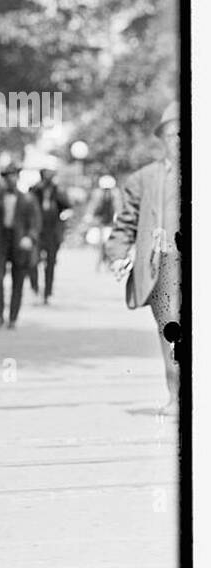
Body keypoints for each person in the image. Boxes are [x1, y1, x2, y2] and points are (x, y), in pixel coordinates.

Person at [105, 102, 181, 413]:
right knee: (172, 331)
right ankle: (177, 396)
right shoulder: (143, 179)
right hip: (163, 266)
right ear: (162, 139)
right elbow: (125, 223)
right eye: (173, 134)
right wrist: (119, 253)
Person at [0, 164, 41, 330]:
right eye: (7, 176)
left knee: (18, 281)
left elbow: (35, 223)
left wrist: (30, 238)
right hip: (0, 241)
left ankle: (13, 317)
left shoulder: (28, 199)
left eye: (14, 175)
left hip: (19, 243)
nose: (11, 179)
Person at [29, 166, 73, 303]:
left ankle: (47, 292)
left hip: (52, 232)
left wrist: (56, 192)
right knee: (33, 262)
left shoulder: (57, 191)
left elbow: (67, 205)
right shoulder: (35, 190)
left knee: (50, 263)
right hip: (37, 231)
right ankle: (35, 288)